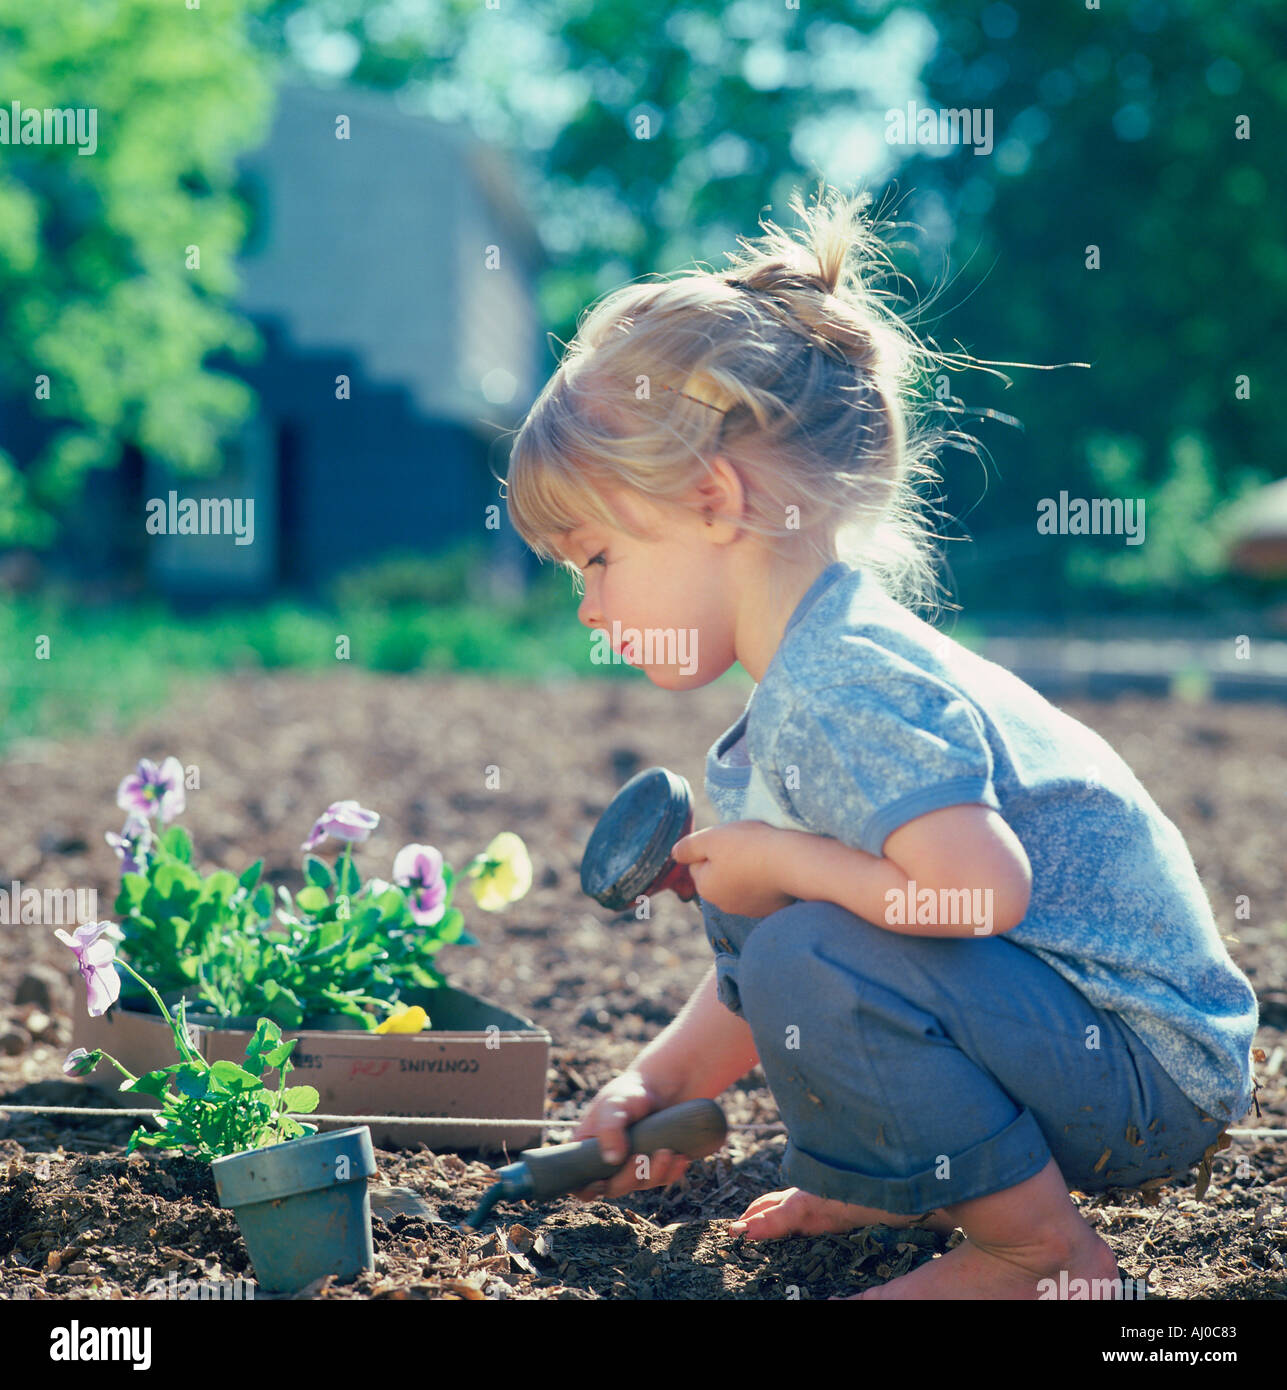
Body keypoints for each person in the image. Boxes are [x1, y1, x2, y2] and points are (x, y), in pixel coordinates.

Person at [501, 184, 1259, 1299]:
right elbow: (766, 975)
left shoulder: (853, 680)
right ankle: (912, 1169)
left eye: (597, 559)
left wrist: (784, 864)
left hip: (1149, 1068)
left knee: (808, 930)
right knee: (775, 914)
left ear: (714, 498)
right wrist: (645, 1082)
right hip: (1062, 1037)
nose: (587, 607)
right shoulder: (786, 706)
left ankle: (1040, 1255)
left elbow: (976, 897)